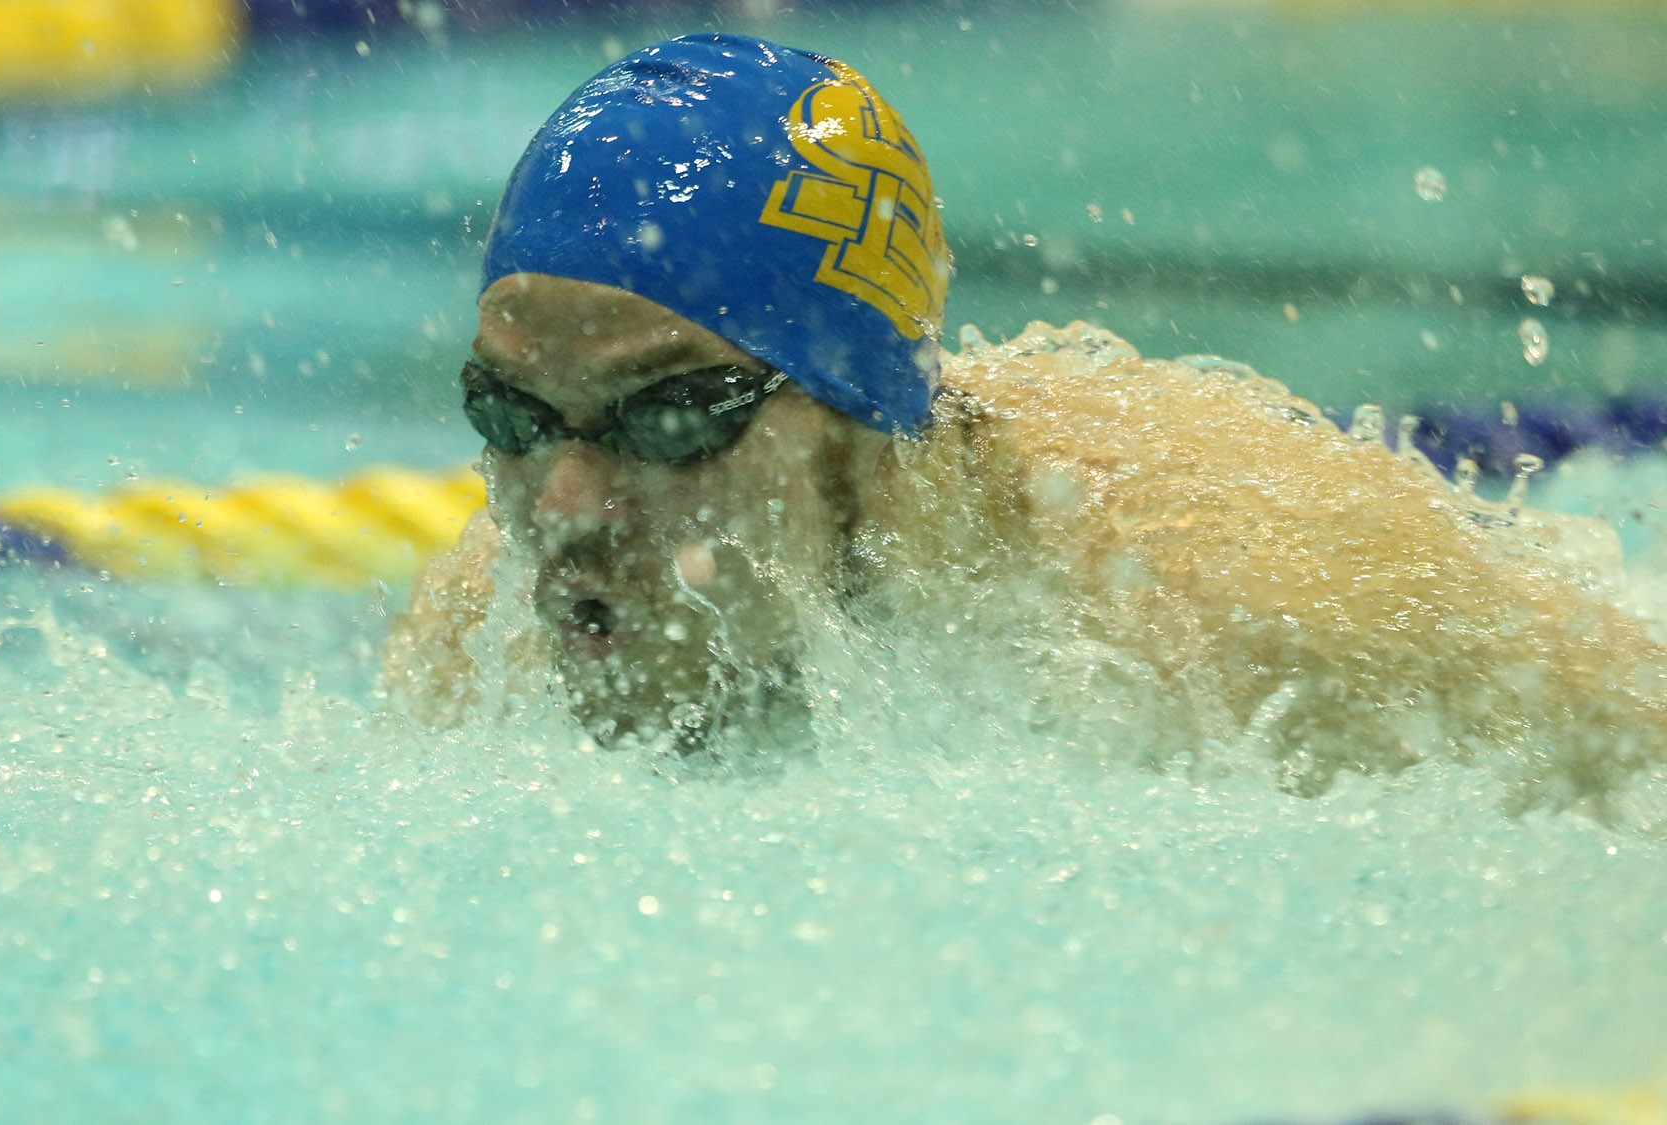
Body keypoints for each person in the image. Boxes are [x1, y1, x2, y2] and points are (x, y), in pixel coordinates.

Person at [382, 33, 1667, 807]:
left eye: (670, 418)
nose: (560, 511)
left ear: (862, 415)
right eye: (510, 415)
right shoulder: (478, 644)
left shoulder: (1241, 614)